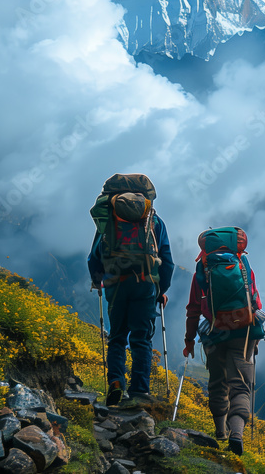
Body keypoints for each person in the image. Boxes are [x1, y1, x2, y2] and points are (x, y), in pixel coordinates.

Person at [88, 174, 175, 408]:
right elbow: (167, 261)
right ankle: (139, 390)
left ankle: (116, 382)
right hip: (146, 283)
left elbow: (95, 255)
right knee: (141, 338)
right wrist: (160, 290)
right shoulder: (154, 222)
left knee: (117, 337)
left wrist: (98, 282)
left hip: (116, 284)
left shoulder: (110, 218)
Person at [183, 226, 264, 456]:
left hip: (214, 334)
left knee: (218, 383)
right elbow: (255, 303)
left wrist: (189, 340)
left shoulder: (203, 268)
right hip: (244, 334)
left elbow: (193, 309)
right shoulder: (243, 265)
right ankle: (237, 434)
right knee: (240, 386)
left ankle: (220, 434)